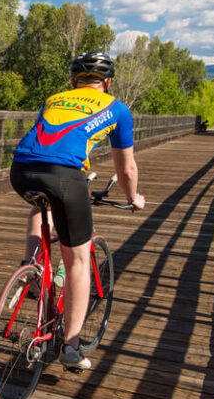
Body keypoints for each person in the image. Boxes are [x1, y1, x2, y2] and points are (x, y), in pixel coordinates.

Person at [10, 52, 146, 370]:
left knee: (40, 206)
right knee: (78, 262)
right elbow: (125, 169)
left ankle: (32, 268)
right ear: (107, 82)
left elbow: (48, 144)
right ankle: (71, 345)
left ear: (73, 82)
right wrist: (133, 197)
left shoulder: (54, 99)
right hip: (66, 178)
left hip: (21, 170)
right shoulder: (117, 109)